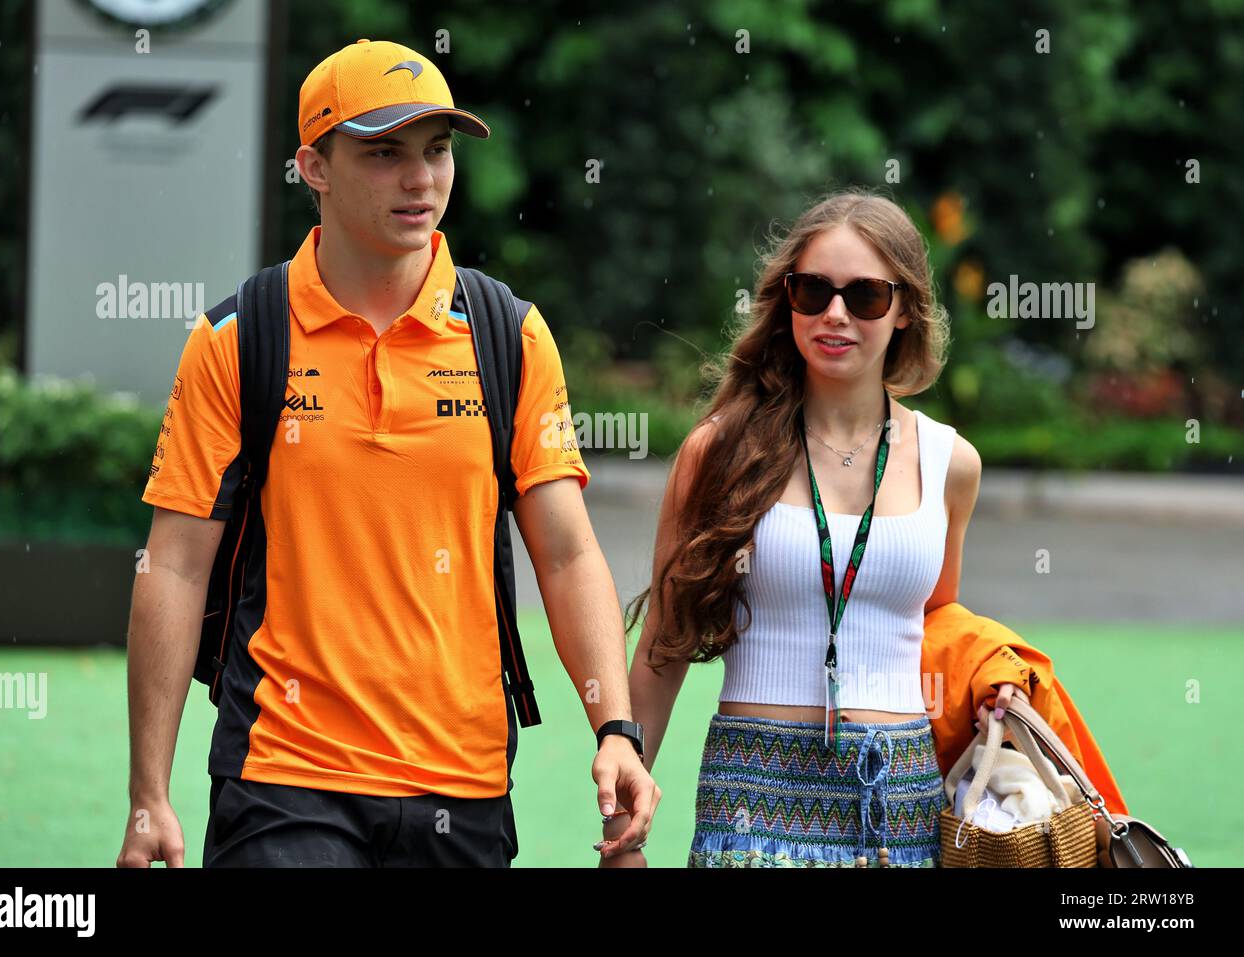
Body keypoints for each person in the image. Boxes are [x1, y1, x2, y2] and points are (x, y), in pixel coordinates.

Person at [115, 39, 659, 868]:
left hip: (465, 784)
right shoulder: (238, 338)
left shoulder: (508, 334)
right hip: (284, 777)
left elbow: (568, 549)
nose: (422, 179)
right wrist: (148, 791)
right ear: (314, 166)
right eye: (384, 153)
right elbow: (176, 566)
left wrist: (615, 727)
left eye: (437, 151)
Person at [621, 188, 1015, 867]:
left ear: (903, 312)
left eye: (864, 296)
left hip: (899, 808)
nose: (836, 314)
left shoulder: (952, 462)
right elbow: (663, 646)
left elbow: (938, 617)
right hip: (751, 796)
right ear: (787, 302)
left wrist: (990, 677)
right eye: (813, 291)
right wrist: (625, 828)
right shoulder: (719, 452)